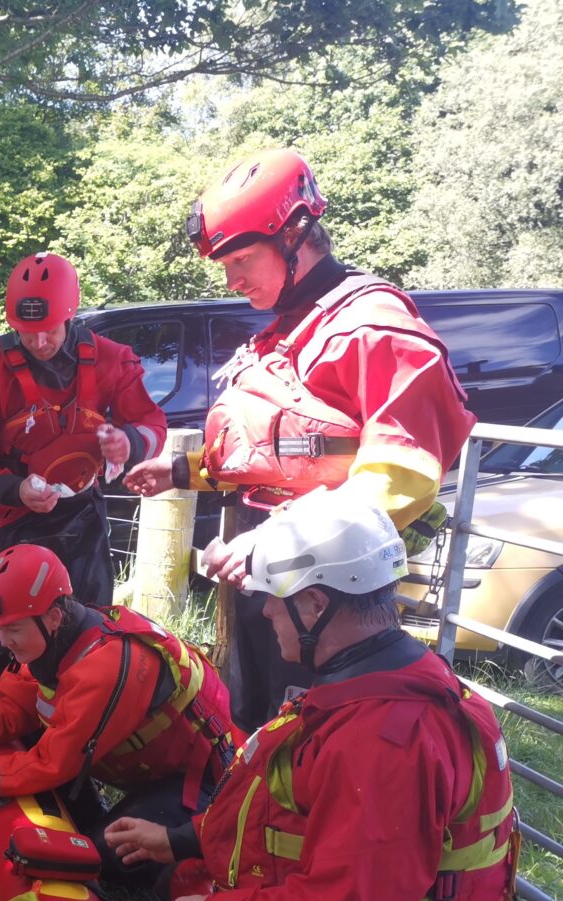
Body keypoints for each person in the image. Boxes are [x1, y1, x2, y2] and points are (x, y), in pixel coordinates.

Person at [105, 490, 516, 901]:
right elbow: (287, 824)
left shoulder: (384, 741)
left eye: (275, 596)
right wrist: (179, 842)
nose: (265, 610)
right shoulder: (388, 687)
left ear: (317, 603)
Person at [124, 147, 475, 729]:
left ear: (294, 235)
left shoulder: (370, 326)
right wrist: (184, 473)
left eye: (241, 259)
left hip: (327, 598)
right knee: (255, 722)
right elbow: (283, 451)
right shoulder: (295, 327)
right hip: (267, 573)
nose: (232, 280)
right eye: (223, 265)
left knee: (310, 736)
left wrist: (278, 542)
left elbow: (403, 474)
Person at [0, 544, 238, 885]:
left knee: (104, 854)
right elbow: (9, 708)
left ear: (54, 618)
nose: (2, 642)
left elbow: (50, 763)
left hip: (201, 783)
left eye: (12, 629)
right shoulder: (52, 640)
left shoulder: (102, 668)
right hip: (144, 769)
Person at [0, 250, 167, 686]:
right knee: (3, 635)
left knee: (92, 629)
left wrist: (130, 442)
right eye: (26, 332)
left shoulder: (110, 359)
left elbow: (153, 424)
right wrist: (14, 489)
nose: (39, 342)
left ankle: (88, 712)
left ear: (69, 314)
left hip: (82, 518)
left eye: (48, 330)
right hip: (14, 520)